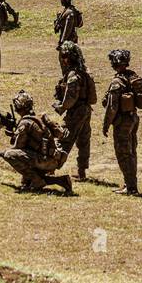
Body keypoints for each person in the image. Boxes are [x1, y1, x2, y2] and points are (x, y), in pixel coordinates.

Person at [0, 91, 73, 194]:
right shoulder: (39, 118)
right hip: (53, 159)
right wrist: (14, 134)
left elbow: (18, 147)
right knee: (25, 182)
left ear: (18, 107)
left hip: (44, 160)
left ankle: (37, 182)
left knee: (8, 154)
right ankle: (62, 181)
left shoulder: (25, 123)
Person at [101, 48, 142, 195]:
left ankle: (131, 187)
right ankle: (130, 184)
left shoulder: (117, 82)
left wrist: (106, 124)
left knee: (123, 153)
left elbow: (112, 107)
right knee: (131, 152)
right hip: (133, 119)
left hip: (123, 123)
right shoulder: (132, 77)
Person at [53, 42, 94, 181]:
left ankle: (50, 167)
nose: (63, 59)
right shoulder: (84, 71)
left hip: (76, 112)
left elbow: (71, 98)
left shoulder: (73, 75)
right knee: (84, 141)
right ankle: (82, 172)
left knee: (64, 139)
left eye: (64, 56)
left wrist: (61, 107)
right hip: (86, 110)